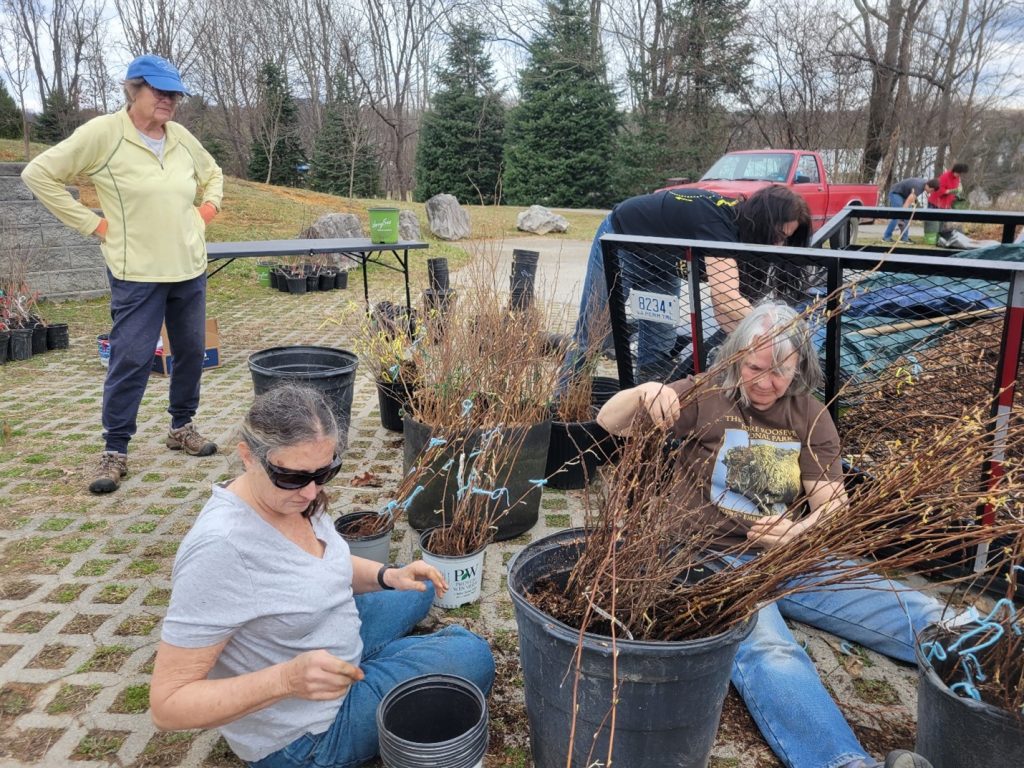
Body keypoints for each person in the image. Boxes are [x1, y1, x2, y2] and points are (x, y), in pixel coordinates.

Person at [596, 302, 959, 768]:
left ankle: (994, 651)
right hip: (706, 559)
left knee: (910, 607)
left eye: (780, 372)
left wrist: (799, 531)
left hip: (788, 557)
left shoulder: (810, 415)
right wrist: (647, 392)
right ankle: (844, 763)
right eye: (754, 367)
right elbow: (609, 421)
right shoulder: (707, 394)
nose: (765, 383)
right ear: (735, 356)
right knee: (771, 651)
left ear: (799, 367)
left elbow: (833, 507)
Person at [149, 384, 495, 767]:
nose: (311, 492)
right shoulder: (220, 549)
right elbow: (167, 705)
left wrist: (388, 576)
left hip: (320, 637)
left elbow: (324, 564)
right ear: (248, 456)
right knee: (472, 654)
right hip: (305, 731)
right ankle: (383, 673)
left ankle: (378, 662)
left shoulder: (293, 498)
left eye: (326, 471)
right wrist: (286, 680)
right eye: (292, 476)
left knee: (419, 587)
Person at [22, 54, 223, 494]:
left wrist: (205, 212)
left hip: (188, 266)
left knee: (191, 351)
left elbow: (213, 174)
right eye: (159, 91)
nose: (169, 100)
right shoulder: (105, 133)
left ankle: (181, 427)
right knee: (131, 357)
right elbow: (39, 174)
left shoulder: (181, 137)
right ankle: (115, 448)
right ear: (134, 90)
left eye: (175, 94)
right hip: (137, 271)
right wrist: (93, 224)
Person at [567, 186, 812, 384]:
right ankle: (564, 400)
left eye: (785, 239)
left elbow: (724, 314)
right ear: (762, 222)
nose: (778, 246)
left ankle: (645, 407)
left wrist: (753, 346)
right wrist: (777, 330)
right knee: (595, 331)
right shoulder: (718, 225)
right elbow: (725, 297)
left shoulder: (738, 232)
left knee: (659, 343)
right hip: (621, 240)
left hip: (662, 263)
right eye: (777, 236)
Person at [882, 177, 939, 242]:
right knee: (897, 216)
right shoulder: (918, 186)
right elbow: (906, 205)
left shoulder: (925, 184)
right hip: (896, 193)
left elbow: (911, 195)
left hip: (904, 195)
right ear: (929, 186)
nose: (930, 192)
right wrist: (901, 218)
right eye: (931, 190)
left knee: (908, 216)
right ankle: (886, 237)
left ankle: (904, 238)